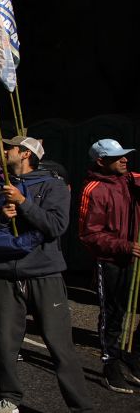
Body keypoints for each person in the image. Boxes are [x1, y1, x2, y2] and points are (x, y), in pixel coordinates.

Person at [0, 135, 98, 413]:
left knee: (59, 344)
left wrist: (24, 203)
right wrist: (1, 217)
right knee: (4, 341)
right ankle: (8, 396)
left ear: (26, 154)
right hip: (5, 274)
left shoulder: (53, 186)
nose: (3, 152)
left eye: (9, 148)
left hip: (44, 274)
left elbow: (56, 227)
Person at [77, 138, 140, 393]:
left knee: (131, 311)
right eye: (118, 157)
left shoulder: (131, 180)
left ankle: (133, 355)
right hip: (111, 260)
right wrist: (125, 246)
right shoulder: (94, 189)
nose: (125, 159)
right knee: (112, 313)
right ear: (101, 162)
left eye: (125, 155)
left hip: (135, 259)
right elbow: (88, 234)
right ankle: (110, 363)